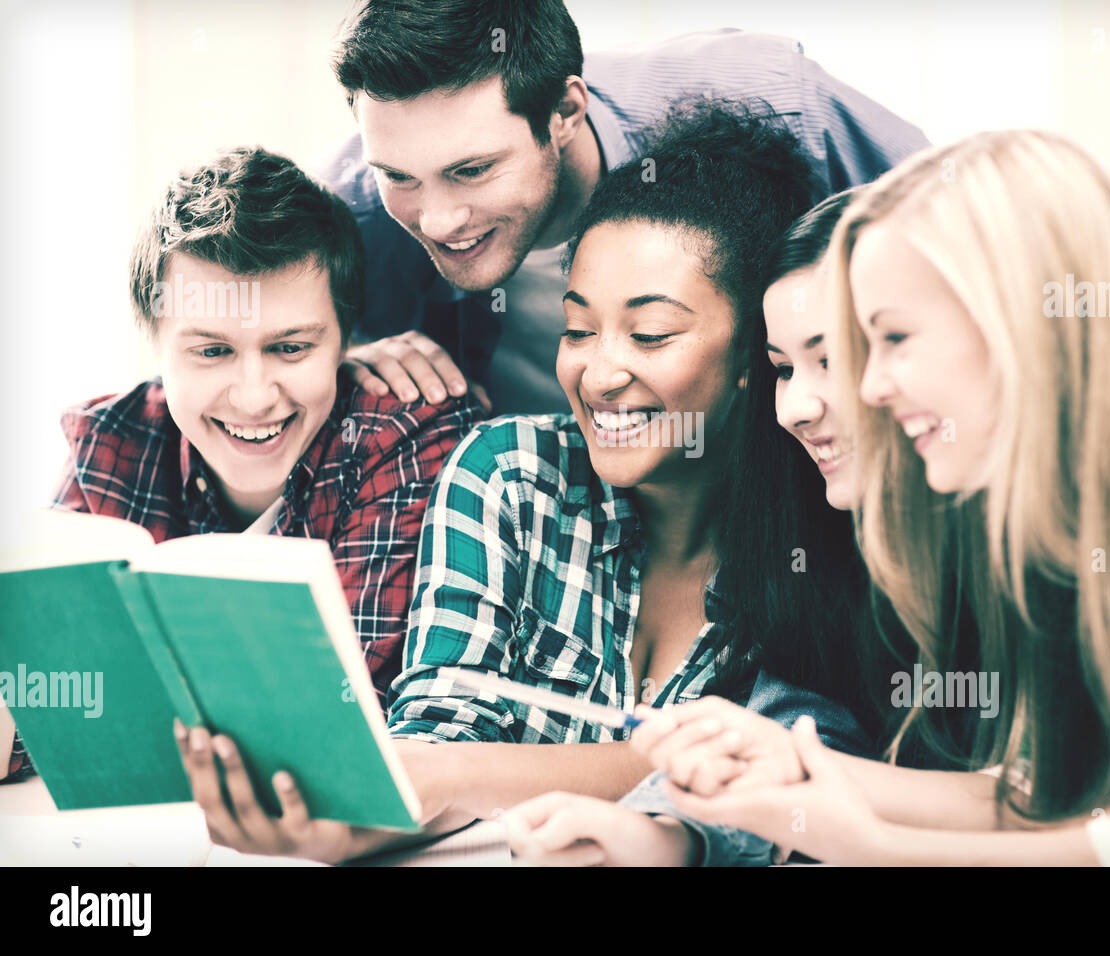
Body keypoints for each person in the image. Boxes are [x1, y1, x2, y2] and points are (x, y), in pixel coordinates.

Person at [573, 130, 1110, 866]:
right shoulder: (1044, 493)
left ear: (1008, 316)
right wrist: (786, 765)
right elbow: (1046, 794)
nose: (874, 386)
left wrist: (876, 848)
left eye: (889, 340)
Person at [173, 101, 870, 863]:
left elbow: (787, 764)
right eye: (578, 329)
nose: (599, 374)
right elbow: (438, 735)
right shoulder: (507, 476)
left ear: (753, 356)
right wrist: (340, 823)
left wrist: (454, 776)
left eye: (650, 335)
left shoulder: (826, 536)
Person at [502, 190, 979, 866]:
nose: (799, 407)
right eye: (786, 367)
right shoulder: (839, 539)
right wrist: (664, 834)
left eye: (838, 357)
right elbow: (814, 729)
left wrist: (870, 842)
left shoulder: (1049, 542)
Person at [1, 147, 478, 783]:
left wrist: (108, 699)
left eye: (290, 348)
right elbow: (38, 704)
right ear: (155, 342)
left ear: (348, 339)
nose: (254, 397)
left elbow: (335, 722)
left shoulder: (399, 438)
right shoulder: (111, 440)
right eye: (212, 351)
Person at [322, 0, 929, 415]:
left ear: (565, 112)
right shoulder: (351, 211)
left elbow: (972, 251)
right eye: (399, 177)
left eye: (472, 171)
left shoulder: (775, 104)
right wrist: (333, 360)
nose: (437, 219)